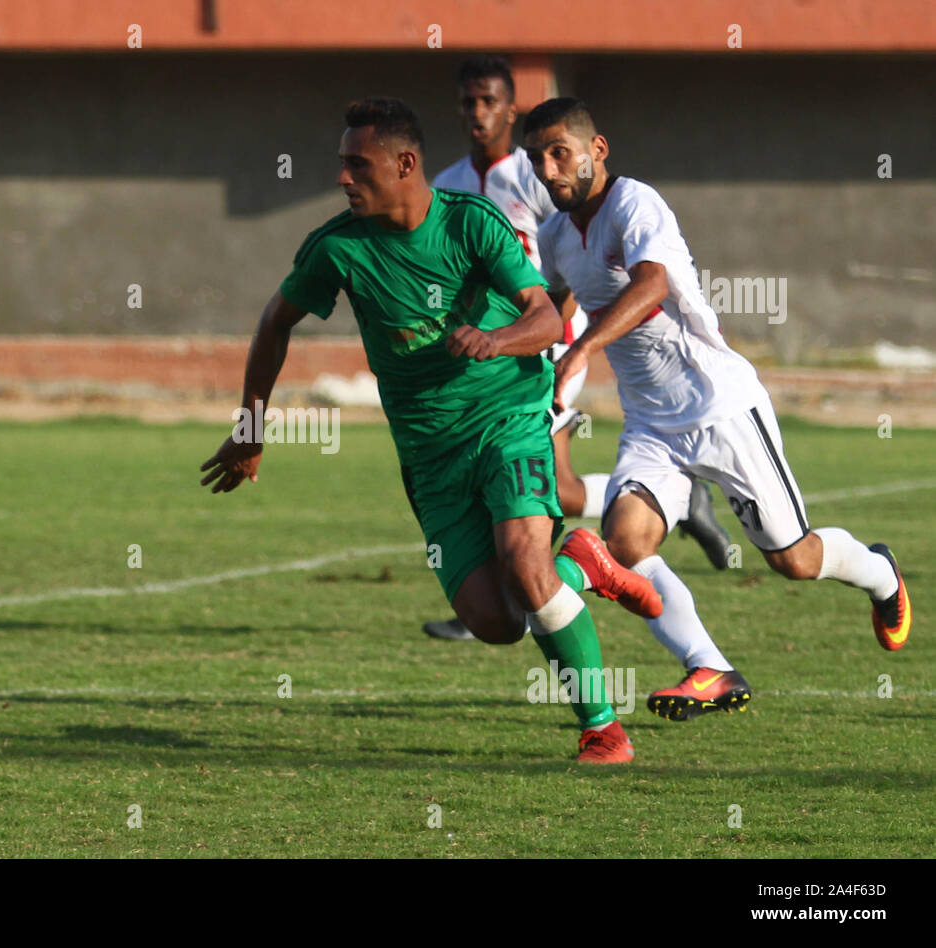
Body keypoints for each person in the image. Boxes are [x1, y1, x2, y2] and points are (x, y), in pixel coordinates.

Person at [201, 97, 663, 761]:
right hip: (429, 457)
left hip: (508, 419)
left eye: (358, 165)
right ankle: (582, 562)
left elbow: (544, 318)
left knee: (527, 568)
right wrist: (250, 426)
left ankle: (602, 728)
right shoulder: (337, 250)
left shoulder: (471, 224)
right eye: (342, 165)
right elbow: (277, 321)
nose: (343, 179)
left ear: (405, 164)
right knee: (498, 623)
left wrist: (496, 339)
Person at [521, 97, 911, 720]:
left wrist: (583, 349)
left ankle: (880, 575)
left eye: (559, 153)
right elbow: (550, 306)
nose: (548, 170)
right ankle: (710, 669)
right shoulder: (555, 234)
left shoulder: (635, 203)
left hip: (718, 407)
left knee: (794, 560)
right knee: (623, 542)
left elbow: (652, 284)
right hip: (650, 423)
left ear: (597, 150)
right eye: (537, 158)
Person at [423, 55, 729, 643]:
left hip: (548, 346)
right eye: (468, 102)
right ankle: (680, 503)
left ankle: (514, 596)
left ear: (510, 110)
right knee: (556, 487)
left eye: (489, 101)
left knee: (512, 473)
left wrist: (570, 342)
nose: (478, 113)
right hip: (493, 354)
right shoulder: (449, 186)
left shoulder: (540, 171)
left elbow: (568, 256)